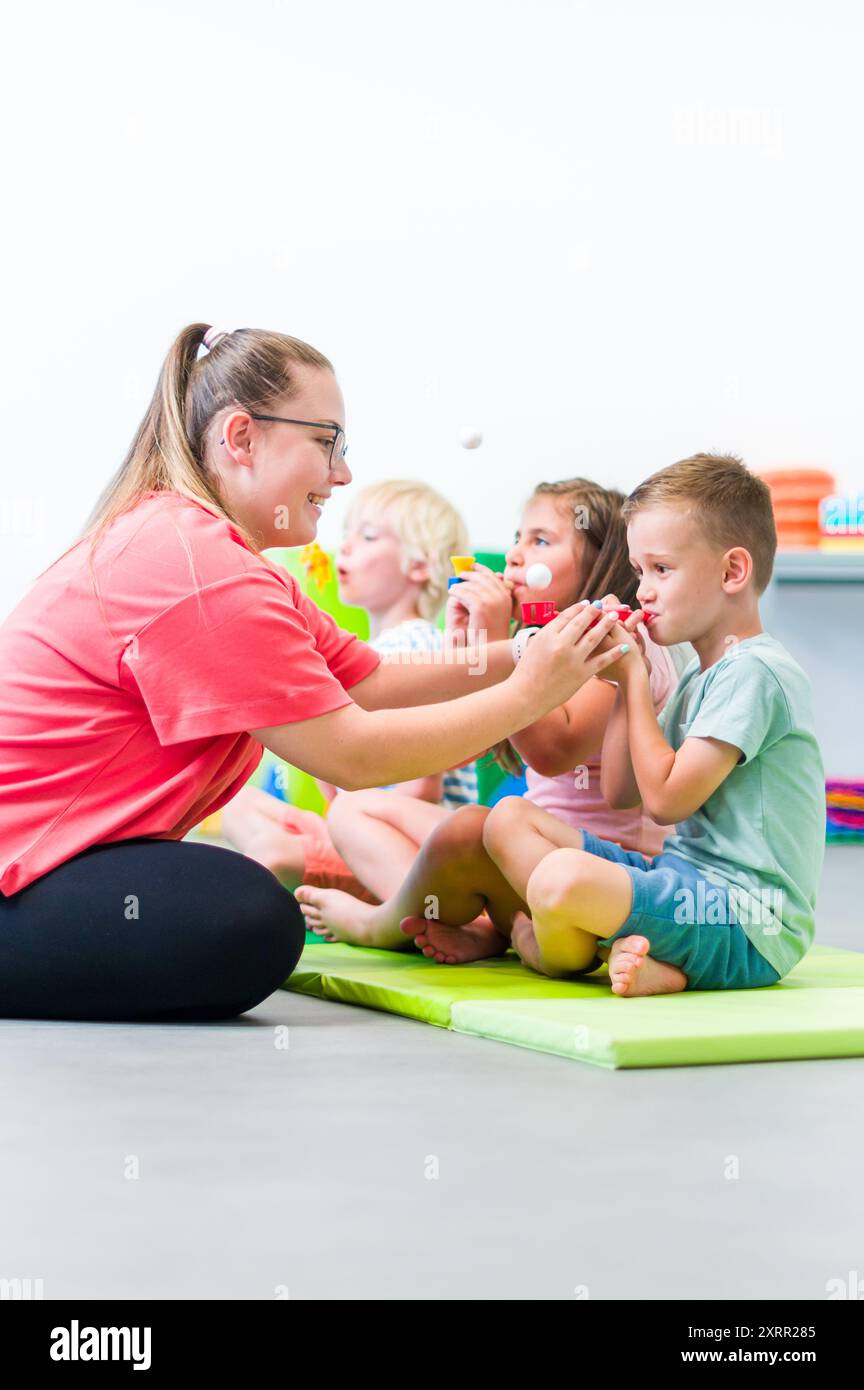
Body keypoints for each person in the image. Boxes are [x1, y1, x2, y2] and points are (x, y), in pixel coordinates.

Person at [0, 322, 628, 1021]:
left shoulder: (218, 554)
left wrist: (524, 653)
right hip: (22, 869)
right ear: (240, 438)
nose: (343, 473)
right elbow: (353, 753)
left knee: (244, 907)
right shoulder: (195, 567)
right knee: (253, 921)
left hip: (47, 860)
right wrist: (528, 693)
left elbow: (370, 680)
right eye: (326, 443)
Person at [403, 454, 826, 998]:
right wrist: (630, 682)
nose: (643, 590)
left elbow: (666, 801)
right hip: (682, 882)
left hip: (746, 922)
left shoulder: (755, 672)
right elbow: (621, 791)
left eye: (661, 570)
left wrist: (629, 668)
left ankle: (564, 950)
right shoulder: (698, 667)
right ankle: (603, 948)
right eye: (640, 570)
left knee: (559, 879)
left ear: (731, 572)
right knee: (507, 818)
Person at [296, 476, 679, 949]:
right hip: (525, 852)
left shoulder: (618, 639)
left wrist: (499, 642)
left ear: (603, 563)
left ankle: (386, 923)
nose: (516, 555)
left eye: (540, 540)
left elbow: (553, 753)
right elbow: (463, 748)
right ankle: (486, 928)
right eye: (518, 538)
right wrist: (472, 650)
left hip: (604, 872)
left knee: (468, 827)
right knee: (354, 811)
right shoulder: (543, 644)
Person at [220, 479, 480, 896]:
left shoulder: (417, 647)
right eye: (347, 535)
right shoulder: (373, 654)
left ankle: (355, 885)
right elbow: (337, 772)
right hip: (359, 831)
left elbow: (422, 789)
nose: (347, 547)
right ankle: (327, 874)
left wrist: (346, 823)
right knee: (239, 807)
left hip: (413, 847)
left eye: (369, 536)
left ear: (420, 566)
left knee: (275, 852)